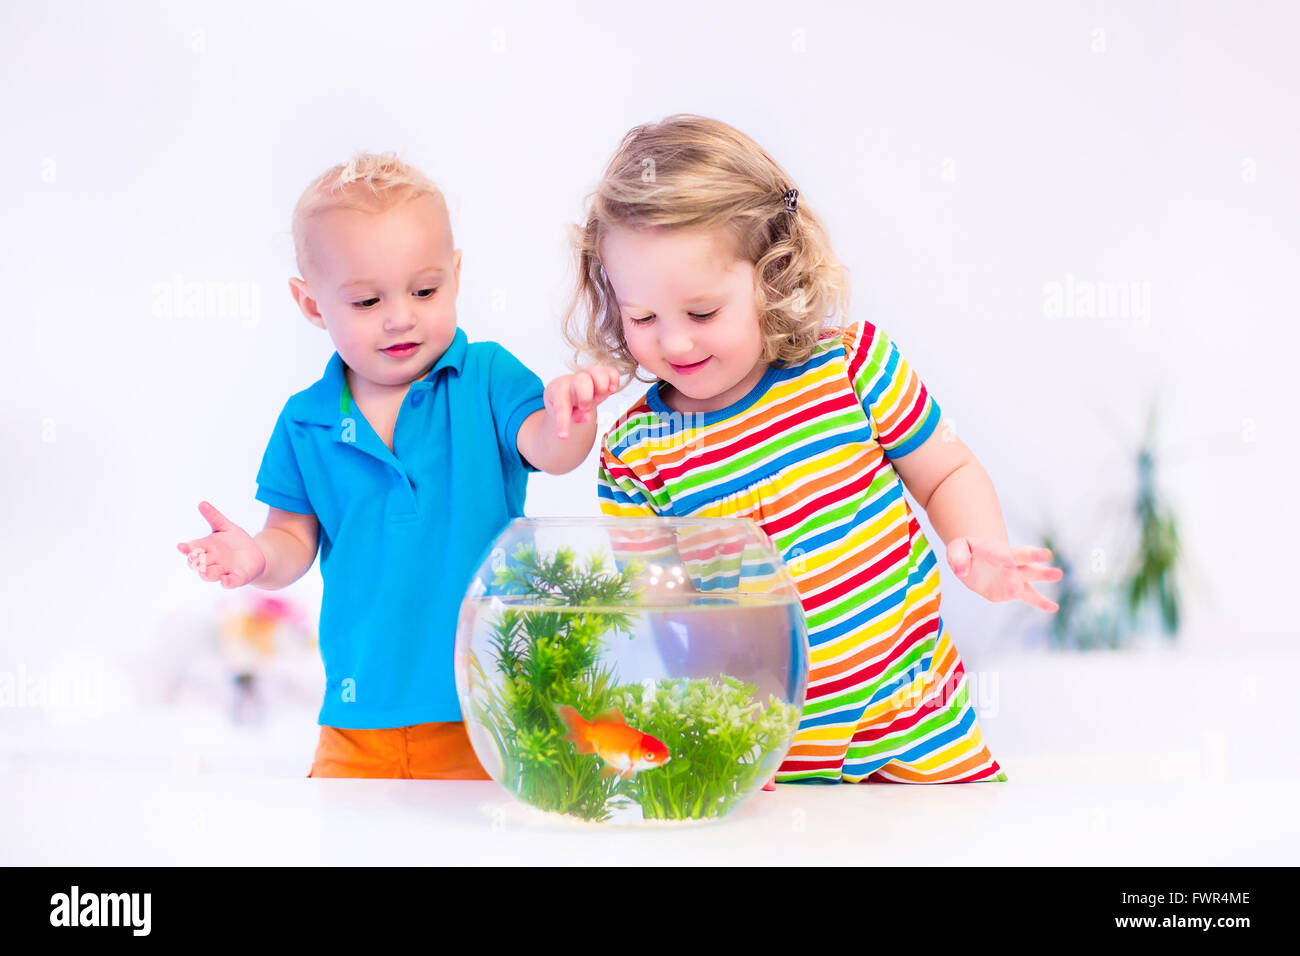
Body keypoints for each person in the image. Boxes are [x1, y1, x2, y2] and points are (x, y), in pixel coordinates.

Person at [566, 115, 1062, 784]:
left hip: (917, 720)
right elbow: (665, 615)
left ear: (770, 275)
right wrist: (713, 722)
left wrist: (978, 541)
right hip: (770, 752)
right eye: (643, 317)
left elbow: (946, 470)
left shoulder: (853, 367)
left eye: (703, 313)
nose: (674, 343)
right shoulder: (636, 454)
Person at [178, 152, 618, 778]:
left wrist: (570, 420)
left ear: (457, 274)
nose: (400, 316)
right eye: (366, 301)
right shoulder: (306, 421)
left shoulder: (487, 378)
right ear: (311, 304)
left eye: (425, 290)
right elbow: (291, 540)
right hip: (356, 722)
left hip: (485, 712)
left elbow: (548, 448)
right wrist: (254, 559)